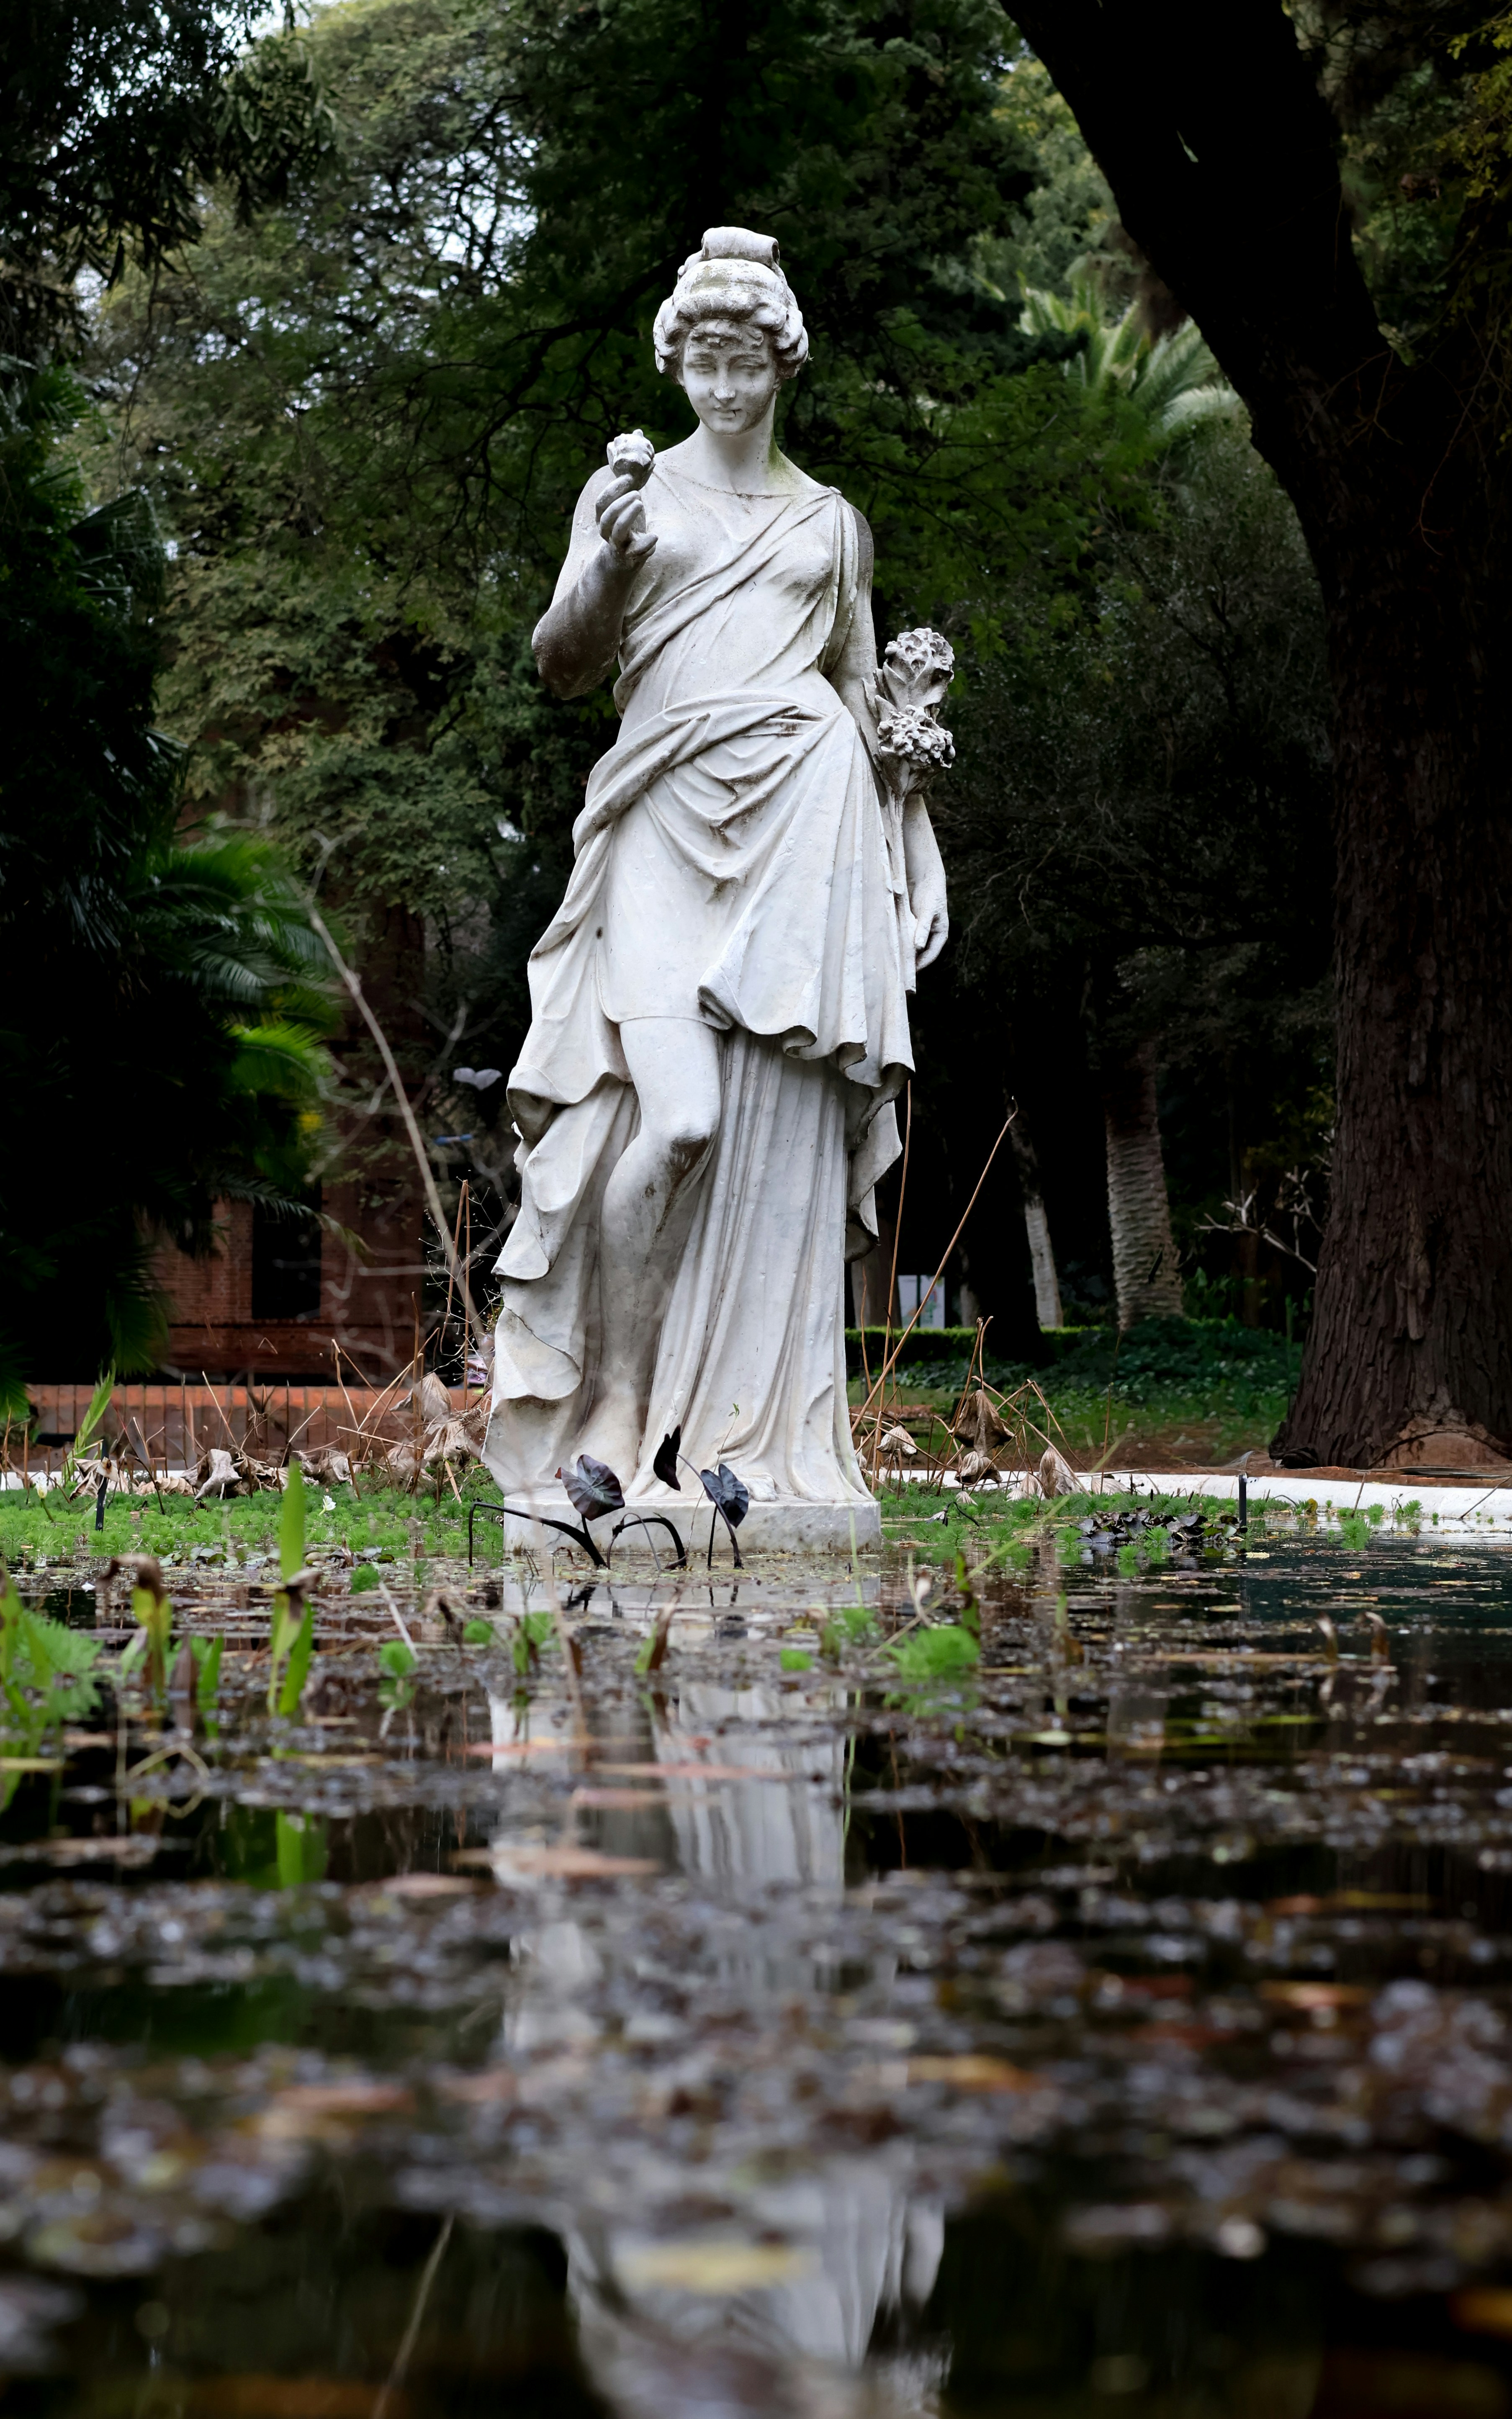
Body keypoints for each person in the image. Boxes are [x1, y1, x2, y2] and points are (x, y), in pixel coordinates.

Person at [483, 226, 948, 1514]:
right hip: (663, 820)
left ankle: (745, 1425)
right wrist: (610, 560)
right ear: (677, 364)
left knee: (774, 1138)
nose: (726, 386)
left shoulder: (831, 525)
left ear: (781, 364)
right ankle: (619, 1399)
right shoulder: (627, 494)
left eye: (746, 361)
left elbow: (860, 699)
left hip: (809, 818)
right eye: (704, 362)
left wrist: (915, 843)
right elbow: (563, 663)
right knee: (674, 1115)